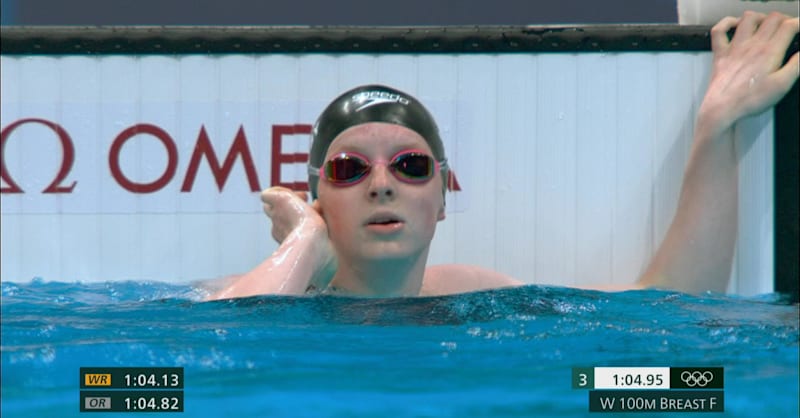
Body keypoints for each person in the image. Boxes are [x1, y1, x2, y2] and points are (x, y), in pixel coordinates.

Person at [208, 11, 799, 300]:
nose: (381, 185)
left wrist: (717, 125)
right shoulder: (252, 291)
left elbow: (670, 311)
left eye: (410, 165)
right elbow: (199, 370)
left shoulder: (475, 297)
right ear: (318, 199)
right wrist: (305, 247)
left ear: (441, 198)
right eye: (349, 169)